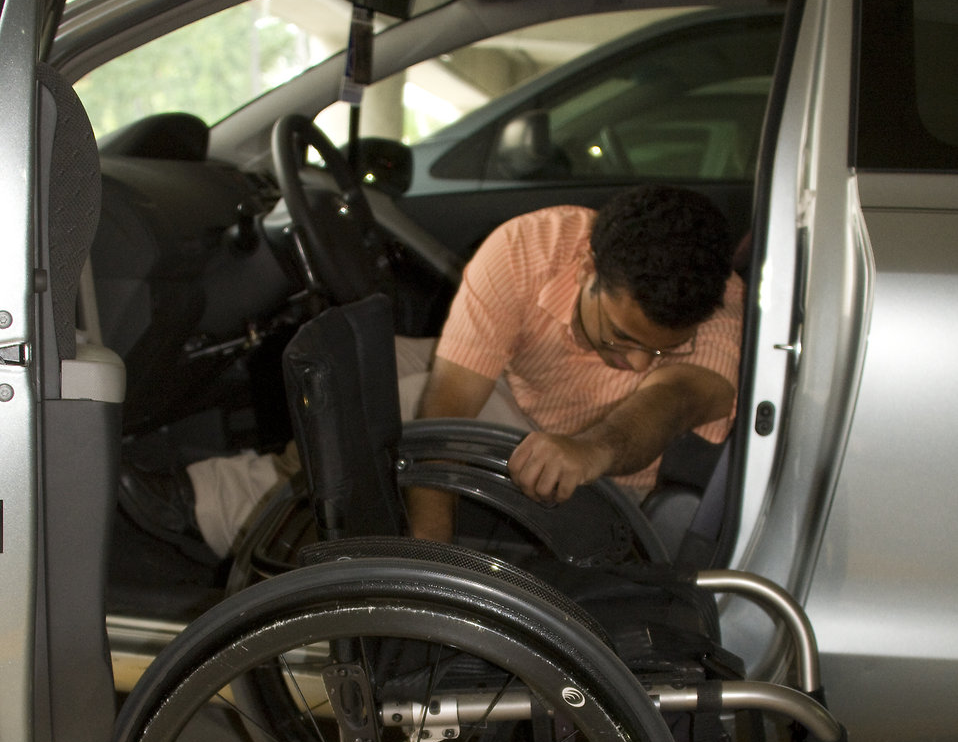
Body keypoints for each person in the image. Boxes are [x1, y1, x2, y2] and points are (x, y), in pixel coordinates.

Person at [118, 184, 743, 556]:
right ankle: (272, 502)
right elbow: (453, 402)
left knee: (398, 402)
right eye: (621, 337)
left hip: (602, 473)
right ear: (587, 267)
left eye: (659, 350)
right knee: (355, 371)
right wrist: (432, 538)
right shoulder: (528, 248)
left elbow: (671, 402)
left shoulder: (714, 302)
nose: (636, 361)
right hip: (522, 399)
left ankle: (222, 512)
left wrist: (590, 450)